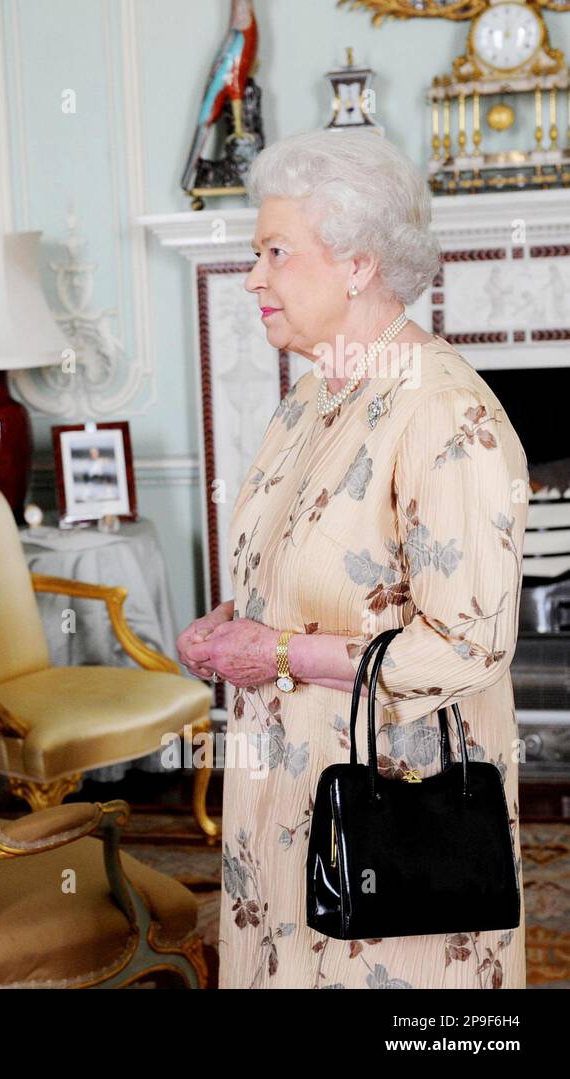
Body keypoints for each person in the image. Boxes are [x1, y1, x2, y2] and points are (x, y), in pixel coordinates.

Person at [178, 128, 529, 989]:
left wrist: (277, 654)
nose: (253, 275)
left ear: (360, 264)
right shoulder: (310, 398)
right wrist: (231, 627)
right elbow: (306, 571)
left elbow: (468, 643)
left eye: (274, 251)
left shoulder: (446, 414)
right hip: (287, 800)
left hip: (395, 816)